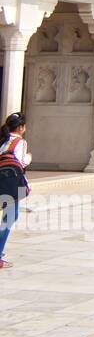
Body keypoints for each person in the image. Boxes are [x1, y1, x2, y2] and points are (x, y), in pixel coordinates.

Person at [0, 113, 32, 268]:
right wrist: (28, 158)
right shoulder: (20, 142)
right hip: (12, 185)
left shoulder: (3, 140)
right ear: (20, 128)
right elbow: (20, 163)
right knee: (9, 219)